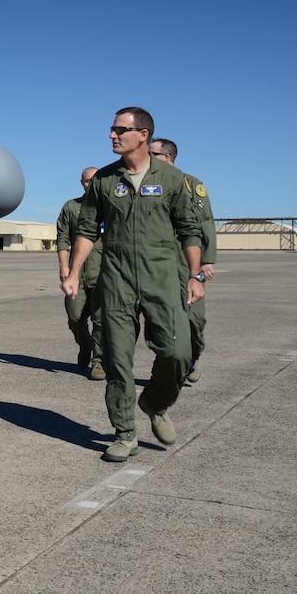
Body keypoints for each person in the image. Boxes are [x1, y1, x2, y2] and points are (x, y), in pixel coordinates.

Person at [61, 107, 205, 462]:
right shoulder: (104, 180)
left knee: (177, 352)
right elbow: (87, 231)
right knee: (117, 362)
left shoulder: (173, 179)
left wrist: (196, 274)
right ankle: (125, 434)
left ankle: (155, 402)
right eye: (111, 129)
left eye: (119, 129)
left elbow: (190, 229)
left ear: (142, 134)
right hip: (117, 279)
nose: (112, 135)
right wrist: (73, 273)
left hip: (161, 277)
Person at [151, 138, 217, 383]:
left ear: (167, 157)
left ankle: (192, 357)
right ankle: (172, 367)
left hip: (187, 258)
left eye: (153, 153)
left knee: (194, 319)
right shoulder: (145, 183)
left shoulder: (190, 184)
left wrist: (206, 260)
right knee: (164, 321)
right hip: (157, 260)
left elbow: (205, 221)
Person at [56, 167, 105, 380]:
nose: (90, 184)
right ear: (81, 183)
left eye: (94, 180)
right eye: (87, 181)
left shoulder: (110, 207)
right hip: (77, 273)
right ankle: (85, 345)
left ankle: (99, 362)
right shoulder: (71, 207)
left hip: (104, 272)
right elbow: (63, 237)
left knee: (101, 320)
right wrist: (63, 267)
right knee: (75, 318)